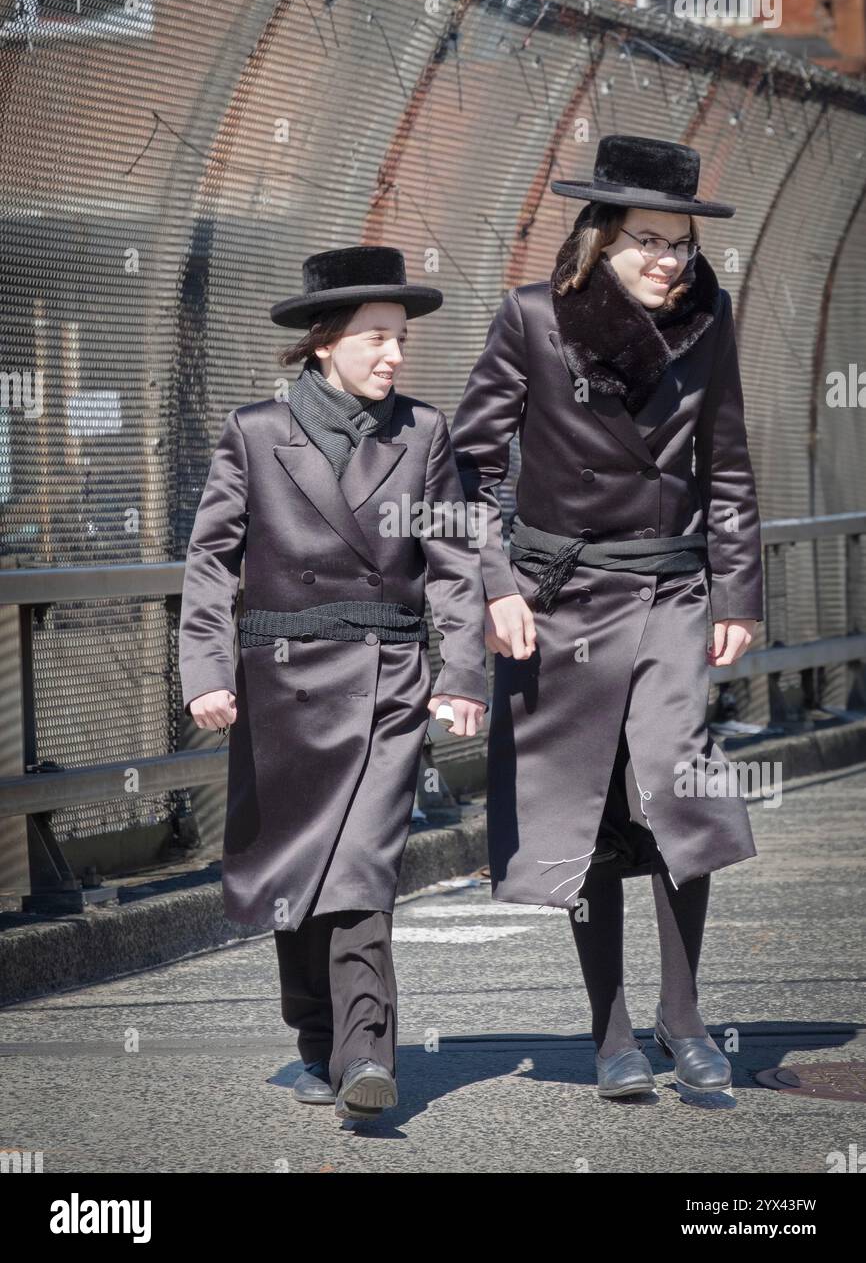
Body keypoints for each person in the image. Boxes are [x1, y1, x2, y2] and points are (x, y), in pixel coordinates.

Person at [449, 135, 763, 1099]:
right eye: (647, 241)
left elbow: (728, 465)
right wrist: (496, 584)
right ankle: (611, 1031)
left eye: (681, 243)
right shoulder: (533, 318)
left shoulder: (709, 320)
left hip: (670, 589)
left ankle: (684, 1016)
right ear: (600, 239)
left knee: (682, 793)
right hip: (560, 598)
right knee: (579, 803)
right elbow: (468, 468)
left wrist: (737, 593)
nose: (668, 260)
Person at [178, 246, 488, 1121]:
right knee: (296, 868)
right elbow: (210, 562)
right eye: (376, 337)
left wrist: (463, 672)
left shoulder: (423, 432)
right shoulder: (254, 432)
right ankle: (315, 1034)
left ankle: (365, 1057)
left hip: (388, 680)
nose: (394, 355)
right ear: (324, 342)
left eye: (401, 339)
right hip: (280, 685)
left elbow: (454, 561)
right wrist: (205, 670)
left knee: (359, 868)